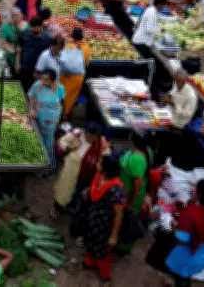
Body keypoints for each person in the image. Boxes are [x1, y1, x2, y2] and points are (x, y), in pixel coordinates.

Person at [162, 180, 204, 287]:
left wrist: (174, 225)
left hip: (188, 254)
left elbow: (181, 240)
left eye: (195, 190)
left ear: (199, 194)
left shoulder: (191, 214)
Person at [82, 156, 125, 287]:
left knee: (103, 252)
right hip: (93, 219)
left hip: (104, 226)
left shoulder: (116, 190)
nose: (97, 163)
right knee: (90, 242)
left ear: (106, 170)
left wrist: (114, 236)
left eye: (100, 162)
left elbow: (118, 215)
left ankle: (105, 276)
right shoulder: (99, 176)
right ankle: (90, 262)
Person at [53, 122, 109, 218]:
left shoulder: (101, 142)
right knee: (64, 191)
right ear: (85, 132)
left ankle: (73, 210)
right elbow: (61, 142)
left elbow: (107, 154)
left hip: (87, 176)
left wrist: (101, 160)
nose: (90, 139)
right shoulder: (77, 134)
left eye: (93, 137)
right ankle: (57, 208)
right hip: (71, 171)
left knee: (79, 194)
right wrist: (72, 146)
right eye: (88, 136)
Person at [118, 131, 153, 253]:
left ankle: (123, 247)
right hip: (133, 193)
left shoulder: (137, 159)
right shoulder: (147, 151)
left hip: (130, 195)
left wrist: (130, 202)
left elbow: (137, 184)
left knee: (126, 220)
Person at [28, 69, 65, 168]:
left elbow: (60, 102)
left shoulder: (60, 88)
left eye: (46, 79)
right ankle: (37, 164)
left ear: (53, 80)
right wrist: (32, 109)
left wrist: (58, 116)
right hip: (40, 115)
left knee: (49, 140)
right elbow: (31, 96)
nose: (43, 81)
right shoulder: (37, 85)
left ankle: (47, 164)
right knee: (38, 138)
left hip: (53, 117)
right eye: (43, 78)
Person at [59, 28, 90, 117]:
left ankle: (59, 112)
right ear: (82, 36)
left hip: (64, 76)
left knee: (62, 93)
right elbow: (86, 63)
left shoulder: (67, 46)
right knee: (71, 96)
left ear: (72, 36)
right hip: (77, 77)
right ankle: (65, 114)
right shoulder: (85, 49)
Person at [15, 17, 51, 92]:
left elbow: (49, 55)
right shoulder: (24, 33)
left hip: (38, 70)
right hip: (24, 67)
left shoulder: (48, 38)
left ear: (41, 26)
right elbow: (18, 48)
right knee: (22, 88)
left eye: (35, 27)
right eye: (32, 27)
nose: (33, 29)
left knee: (35, 90)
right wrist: (17, 63)